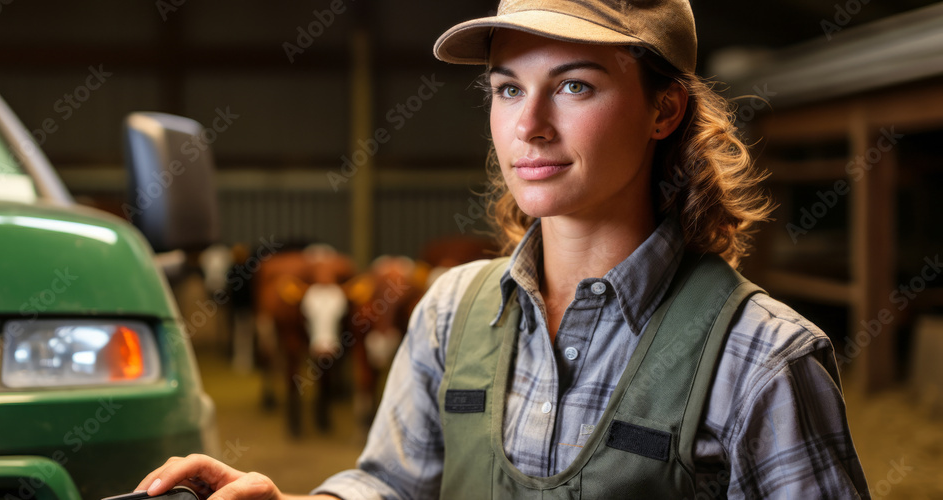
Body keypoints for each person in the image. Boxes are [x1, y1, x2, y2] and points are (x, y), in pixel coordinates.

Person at [135, 0, 871, 498]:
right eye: (507, 89)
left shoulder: (762, 361)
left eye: (575, 86)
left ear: (664, 109)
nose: (530, 126)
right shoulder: (451, 311)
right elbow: (396, 486)